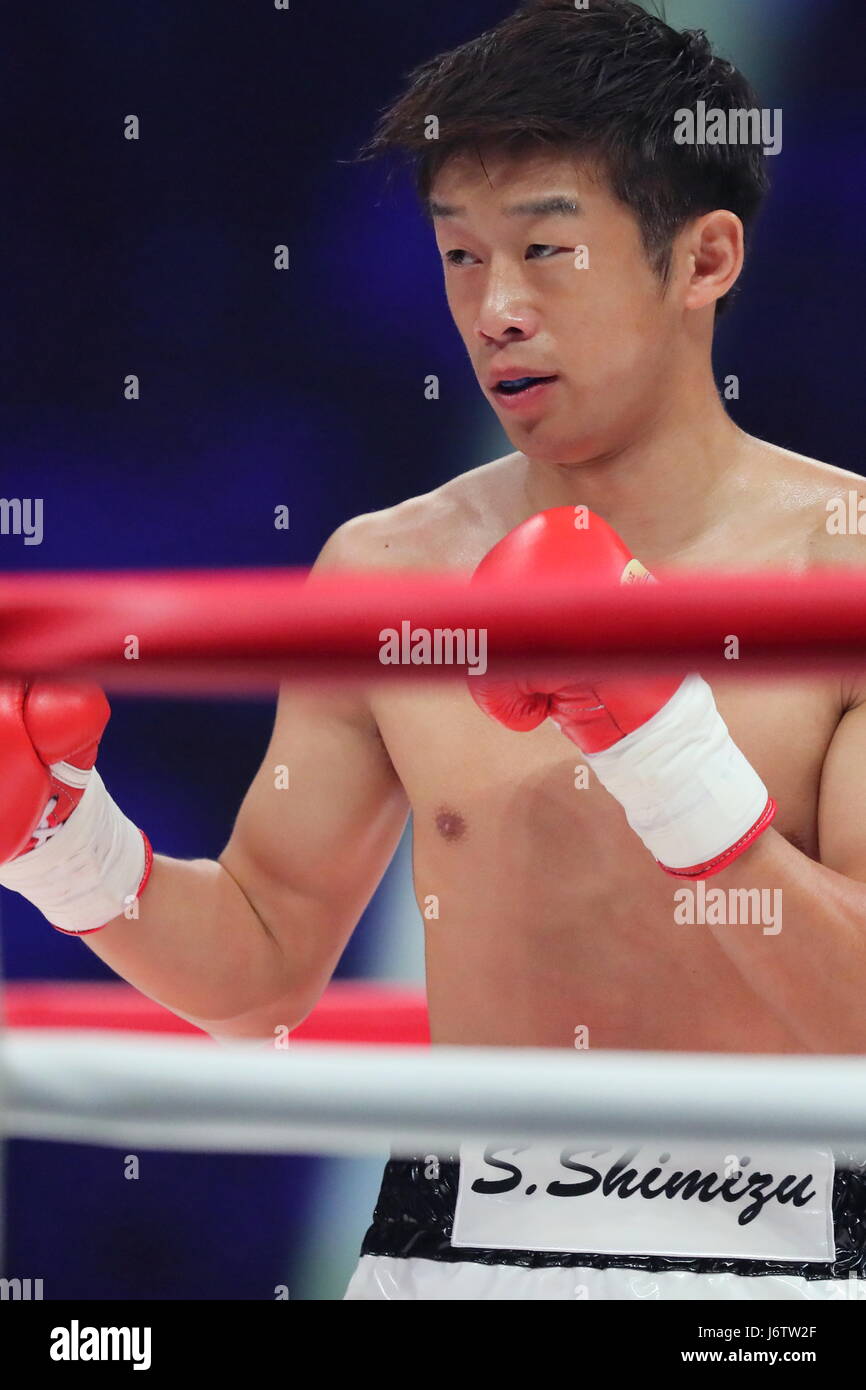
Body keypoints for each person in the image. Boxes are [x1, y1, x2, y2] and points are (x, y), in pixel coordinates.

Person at [3, 0, 866, 1299]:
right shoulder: (384, 570)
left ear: (702, 260)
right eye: (461, 258)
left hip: (766, 1253)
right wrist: (60, 843)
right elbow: (260, 971)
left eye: (544, 252)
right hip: (449, 1244)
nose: (496, 308)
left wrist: (662, 746)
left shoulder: (841, 571)